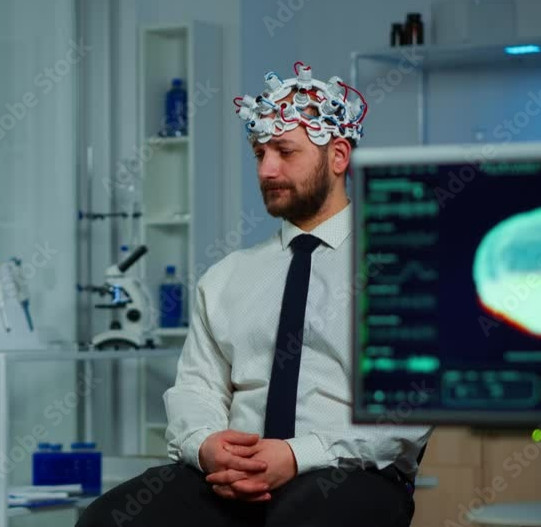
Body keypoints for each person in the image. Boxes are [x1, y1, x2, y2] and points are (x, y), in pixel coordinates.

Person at [77, 63, 432, 527]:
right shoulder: (227, 277)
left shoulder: (400, 269)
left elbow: (407, 409)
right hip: (229, 476)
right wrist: (206, 446)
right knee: (107, 520)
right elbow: (197, 387)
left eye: (285, 151)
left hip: (345, 473)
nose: (267, 169)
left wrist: (295, 454)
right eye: (259, 153)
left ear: (339, 155)